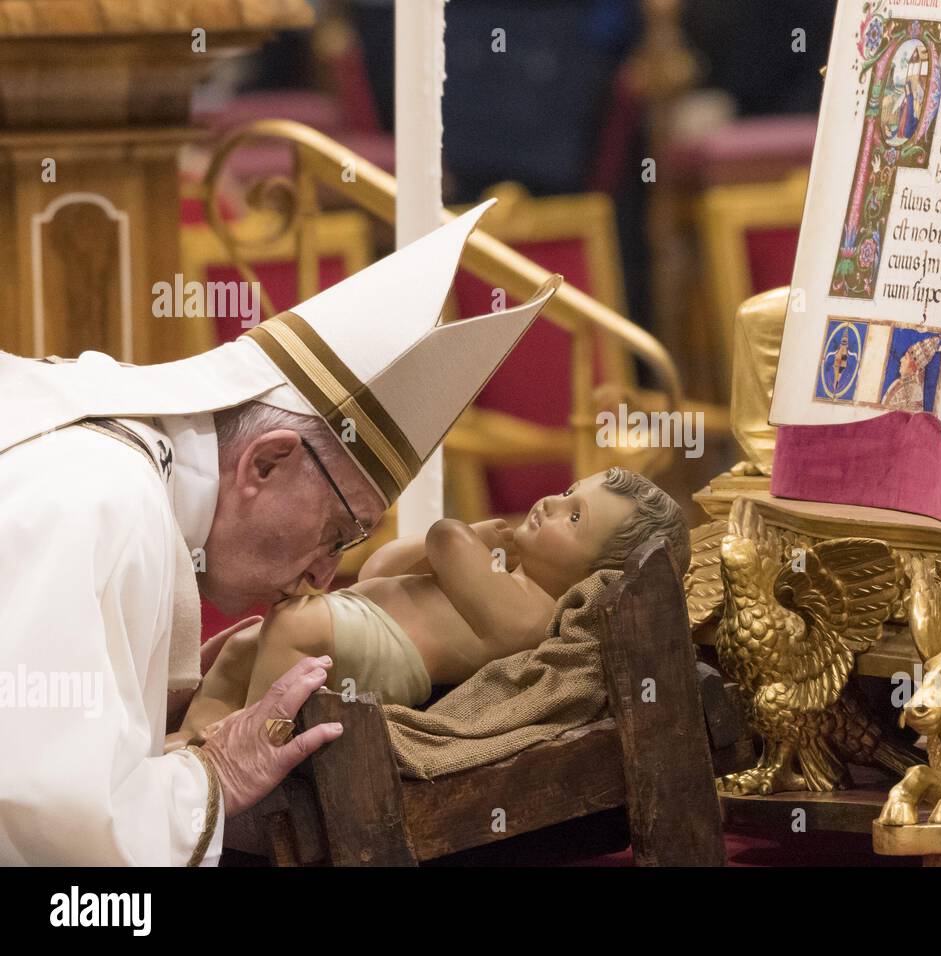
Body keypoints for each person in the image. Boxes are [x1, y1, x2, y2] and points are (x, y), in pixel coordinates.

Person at [0, 201, 558, 864]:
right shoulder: (107, 499)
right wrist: (216, 776)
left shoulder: (99, 441)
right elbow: (55, 818)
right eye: (338, 529)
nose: (324, 575)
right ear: (266, 462)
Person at [169, 468, 689, 746]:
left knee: (293, 623)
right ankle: (197, 737)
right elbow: (380, 569)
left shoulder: (528, 611)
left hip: (388, 661)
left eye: (575, 519)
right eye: (567, 492)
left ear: (594, 577)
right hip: (357, 621)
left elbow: (445, 538)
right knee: (243, 642)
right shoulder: (500, 571)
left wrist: (474, 535)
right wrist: (479, 544)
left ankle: (254, 741)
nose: (552, 504)